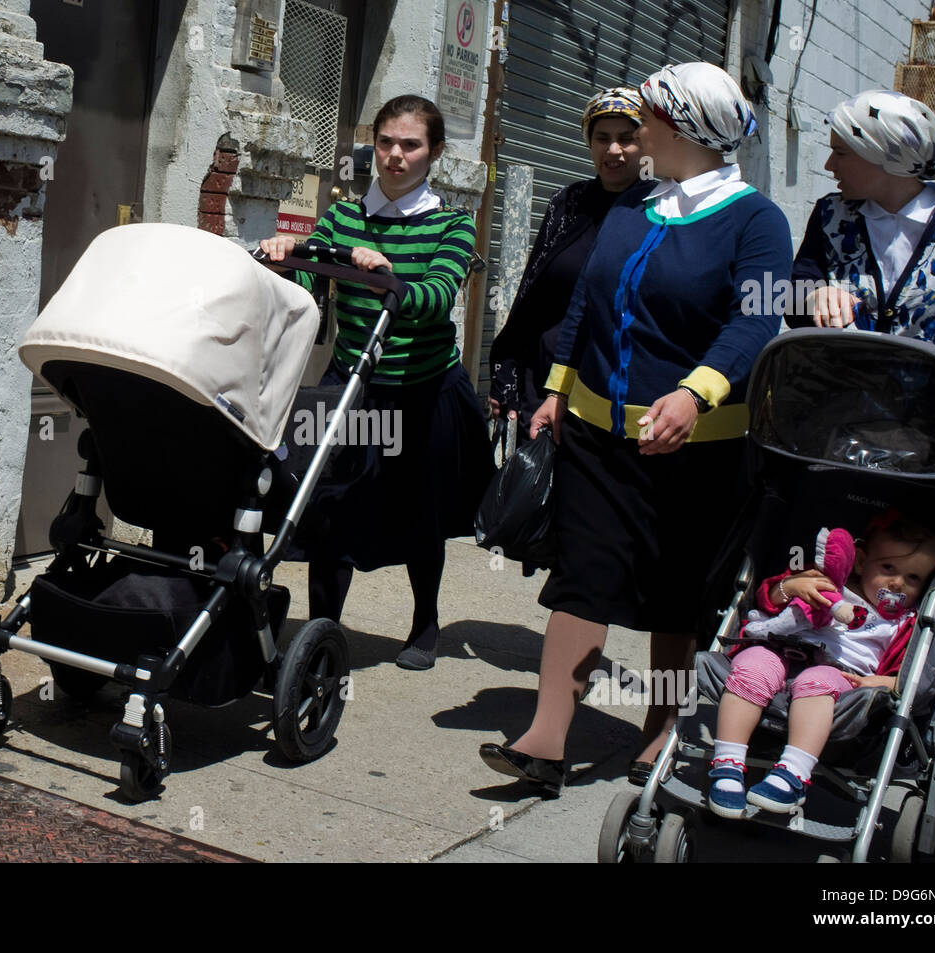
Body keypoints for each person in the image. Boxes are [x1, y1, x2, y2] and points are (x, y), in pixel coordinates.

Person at [478, 62, 793, 795]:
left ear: (682, 128)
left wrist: (695, 393)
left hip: (700, 450)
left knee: (677, 592)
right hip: (593, 433)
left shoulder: (757, 220)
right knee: (582, 576)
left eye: (647, 117)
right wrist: (556, 389)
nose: (635, 129)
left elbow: (757, 320)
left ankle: (662, 729)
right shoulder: (635, 206)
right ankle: (545, 738)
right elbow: (588, 304)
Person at [259, 95, 493, 671]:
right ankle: (321, 632)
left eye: (410, 145)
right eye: (386, 142)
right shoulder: (342, 215)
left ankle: (424, 621)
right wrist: (289, 251)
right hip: (350, 384)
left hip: (423, 388)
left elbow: (438, 298)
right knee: (328, 507)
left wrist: (387, 276)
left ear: (434, 152)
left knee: (421, 511)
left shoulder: (453, 225)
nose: (394, 155)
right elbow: (310, 282)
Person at [706, 514, 935, 817]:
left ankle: (792, 774)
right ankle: (727, 765)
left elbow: (907, 675)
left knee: (817, 681)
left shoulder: (902, 623)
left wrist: (884, 683)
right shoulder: (828, 583)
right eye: (888, 568)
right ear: (860, 562)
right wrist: (790, 586)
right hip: (779, 648)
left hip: (838, 675)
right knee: (753, 666)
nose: (898, 582)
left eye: (913, 578)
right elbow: (767, 600)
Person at [789, 90, 935, 359]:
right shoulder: (831, 215)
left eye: (840, 153)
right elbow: (792, 298)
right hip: (837, 394)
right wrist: (813, 297)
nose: (830, 165)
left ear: (884, 158)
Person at [488, 87, 644, 430]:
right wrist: (509, 369)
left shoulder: (661, 210)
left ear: (645, 143)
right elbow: (533, 292)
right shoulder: (567, 203)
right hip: (544, 383)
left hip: (616, 391)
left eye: (626, 138)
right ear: (589, 143)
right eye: (602, 138)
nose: (613, 150)